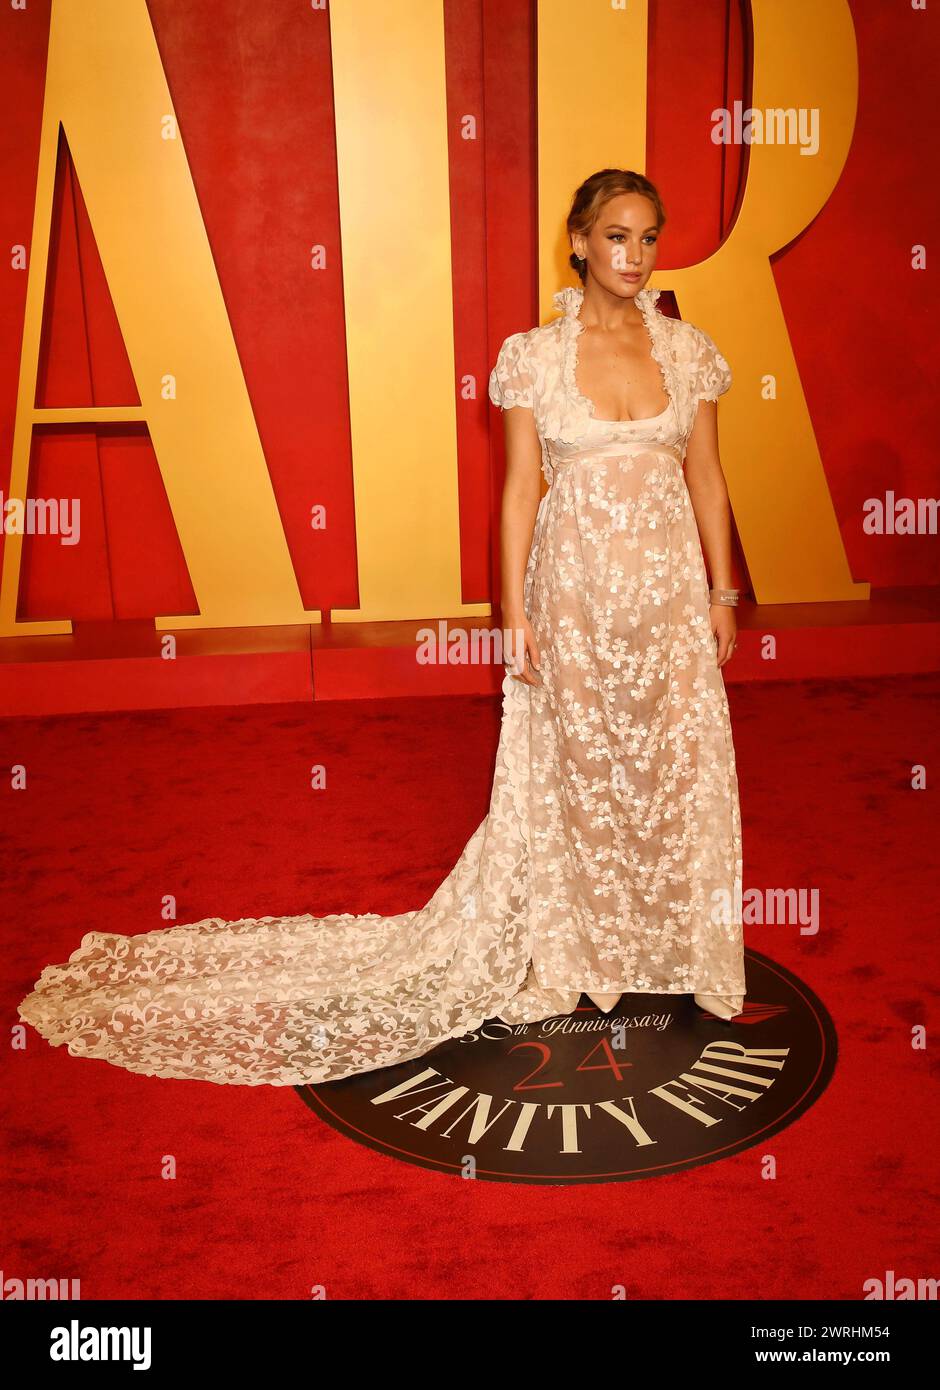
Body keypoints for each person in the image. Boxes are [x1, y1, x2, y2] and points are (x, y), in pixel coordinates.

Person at [17, 168, 745, 1088]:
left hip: (673, 599)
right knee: (583, 766)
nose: (634, 256)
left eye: (648, 238)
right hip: (575, 597)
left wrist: (724, 594)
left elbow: (710, 480)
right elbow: (521, 490)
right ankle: (582, 952)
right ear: (578, 241)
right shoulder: (531, 356)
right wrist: (513, 613)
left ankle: (676, 946)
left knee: (674, 763)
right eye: (615, 236)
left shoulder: (689, 353)